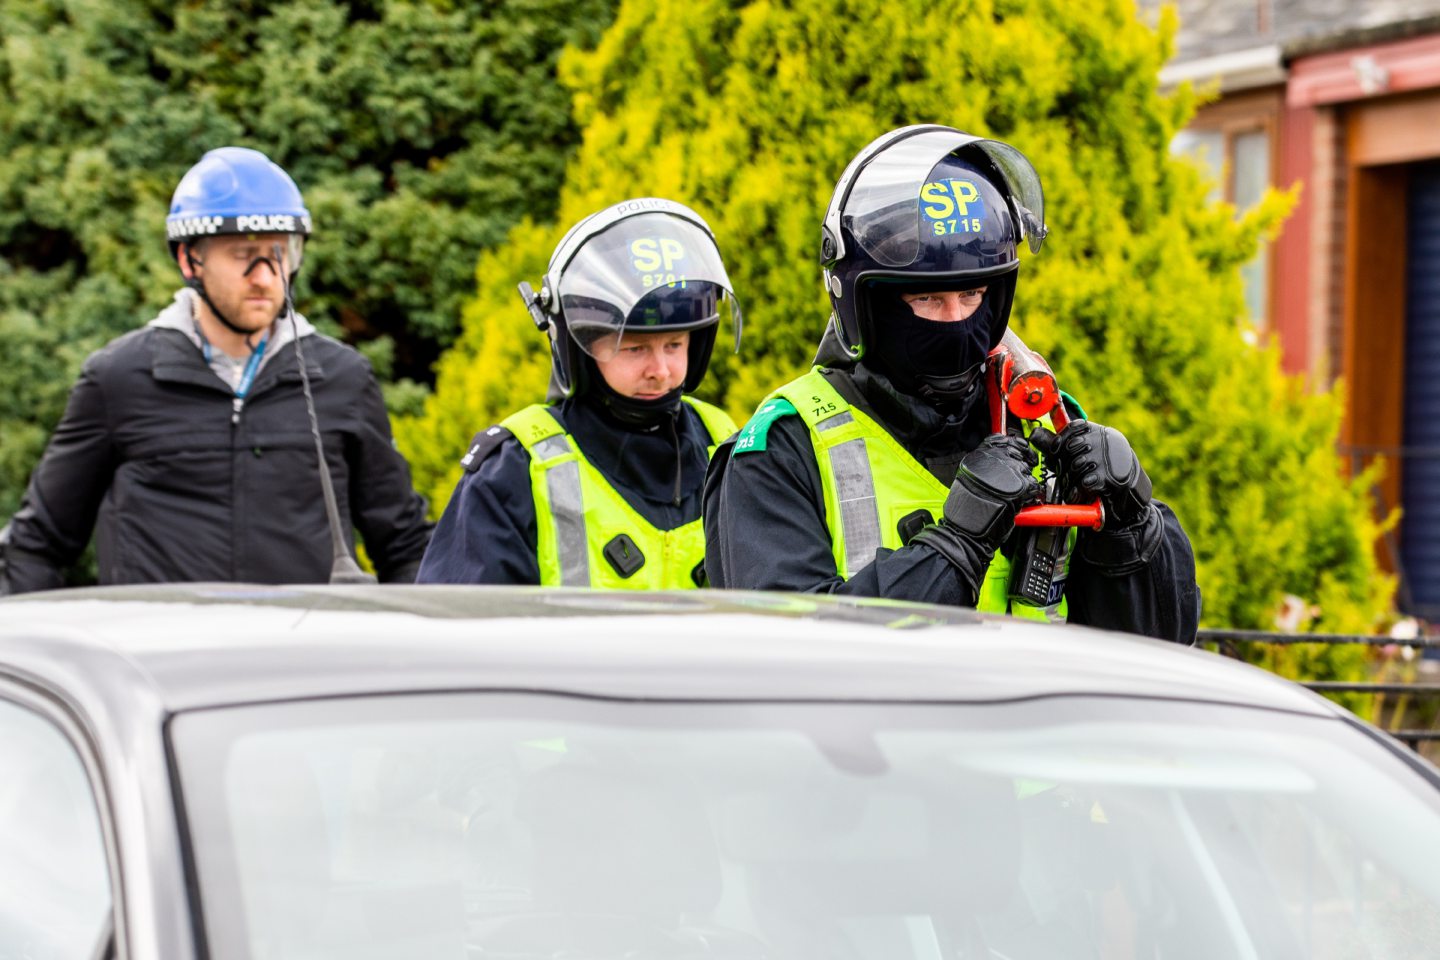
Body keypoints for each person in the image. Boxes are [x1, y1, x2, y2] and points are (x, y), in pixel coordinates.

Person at [704, 125, 1199, 642]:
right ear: (864, 305)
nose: (955, 322)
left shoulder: (1040, 421)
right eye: (926, 301)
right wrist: (954, 545)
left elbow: (1161, 647)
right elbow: (784, 658)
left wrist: (1132, 526)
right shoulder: (781, 447)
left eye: (973, 295)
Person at [0, 147, 433, 593]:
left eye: (279, 253)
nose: (266, 276)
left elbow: (405, 545)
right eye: (244, 255)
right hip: (160, 658)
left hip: (307, 658)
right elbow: (35, 547)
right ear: (190, 260)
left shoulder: (343, 378)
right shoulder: (117, 379)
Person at [417, 197, 741, 588]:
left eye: (675, 345)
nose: (660, 370)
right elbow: (464, 628)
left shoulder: (723, 441)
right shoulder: (517, 466)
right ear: (579, 348)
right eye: (634, 348)